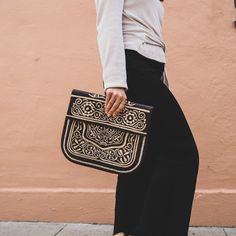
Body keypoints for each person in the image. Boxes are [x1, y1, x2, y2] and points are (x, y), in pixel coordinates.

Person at [94, 1, 199, 236]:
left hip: (148, 70)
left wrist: (163, 81)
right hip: (133, 69)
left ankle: (126, 230)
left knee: (141, 156)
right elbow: (107, 24)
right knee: (182, 155)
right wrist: (115, 81)